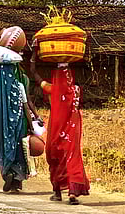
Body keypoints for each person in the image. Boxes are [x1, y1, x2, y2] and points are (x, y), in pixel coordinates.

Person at [0, 26, 32, 194]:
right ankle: (17, 180)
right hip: (19, 121)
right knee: (19, 145)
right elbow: (27, 104)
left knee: (2, 143)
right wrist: (33, 123)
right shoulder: (21, 81)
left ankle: (7, 174)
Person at [37, 60, 91, 205]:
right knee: (72, 156)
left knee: (54, 156)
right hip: (73, 128)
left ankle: (57, 191)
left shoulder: (53, 89)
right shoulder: (76, 90)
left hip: (57, 128)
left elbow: (38, 79)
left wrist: (32, 61)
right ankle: (73, 192)